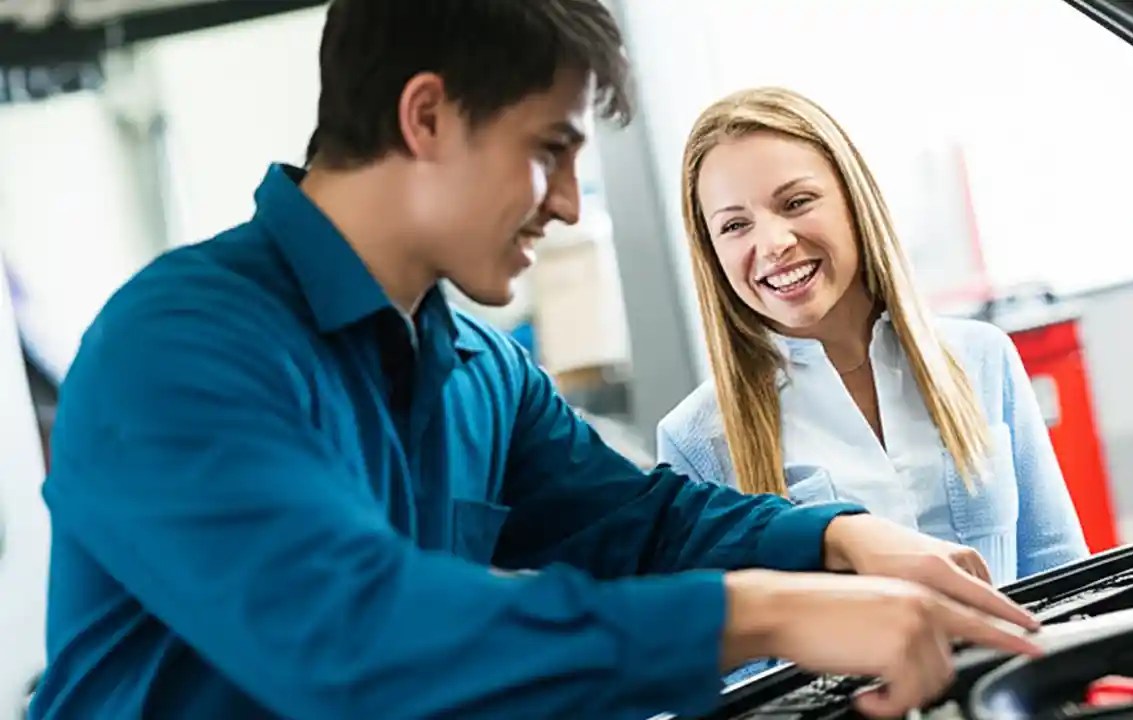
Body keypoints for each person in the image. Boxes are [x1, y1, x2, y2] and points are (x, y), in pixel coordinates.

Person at [31, 4, 1041, 720]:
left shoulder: (475, 365)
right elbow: (353, 642)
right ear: (425, 117)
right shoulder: (177, 349)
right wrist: (773, 609)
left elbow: (641, 522)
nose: (564, 204)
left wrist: (843, 541)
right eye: (548, 150)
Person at [659, 86, 1089, 597]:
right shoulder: (695, 441)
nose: (773, 244)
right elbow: (736, 664)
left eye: (796, 202)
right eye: (735, 225)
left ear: (852, 201)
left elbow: (1064, 573)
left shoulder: (982, 357)